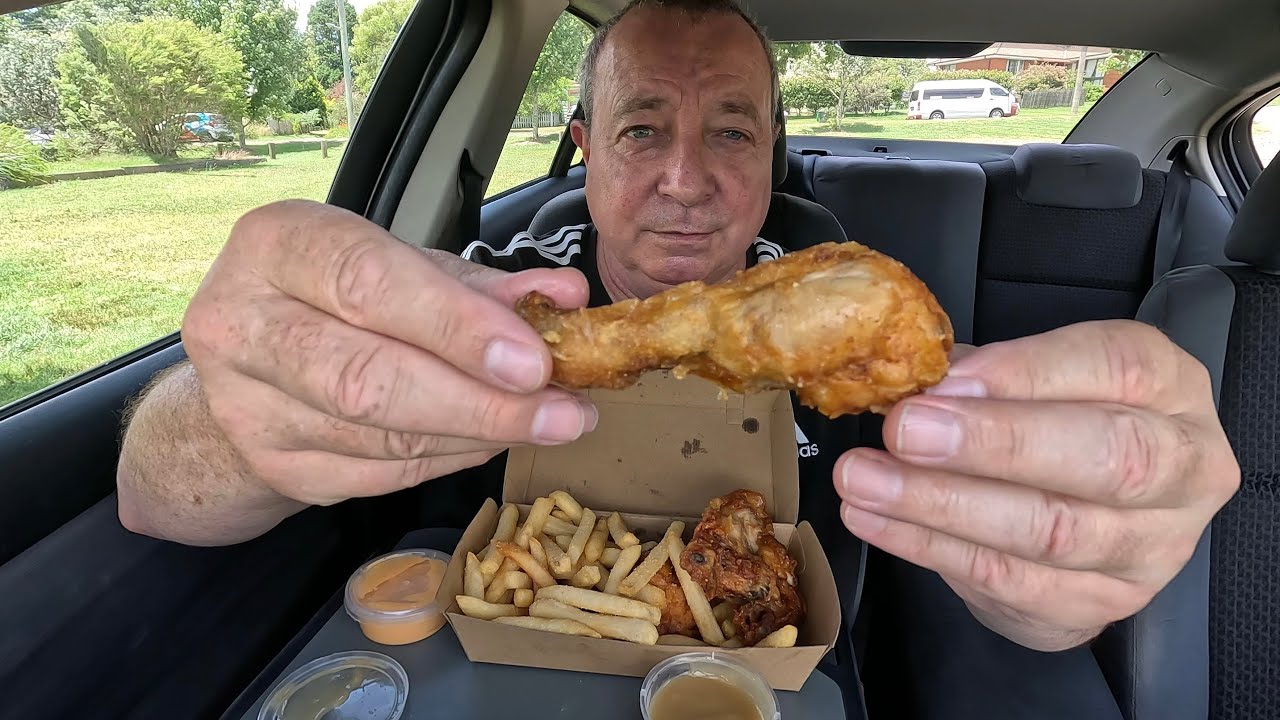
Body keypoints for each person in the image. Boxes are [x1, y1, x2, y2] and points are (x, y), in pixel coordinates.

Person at [116, 0, 1239, 716]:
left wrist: (1056, 586)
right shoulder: (484, 293)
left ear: (773, 156)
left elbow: (993, 552)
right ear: (584, 148)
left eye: (733, 132)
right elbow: (154, 501)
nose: (686, 180)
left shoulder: (851, 319)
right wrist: (225, 419)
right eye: (643, 128)